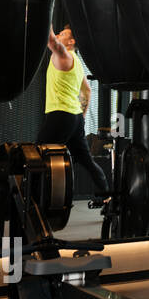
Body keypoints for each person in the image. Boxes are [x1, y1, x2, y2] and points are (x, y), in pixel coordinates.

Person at [37, 25, 111, 201]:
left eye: (62, 34)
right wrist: (82, 118)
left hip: (60, 115)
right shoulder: (77, 63)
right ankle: (107, 195)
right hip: (74, 118)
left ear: (71, 42)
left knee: (37, 156)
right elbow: (87, 91)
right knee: (87, 161)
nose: (58, 35)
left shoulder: (63, 54)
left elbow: (50, 39)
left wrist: (46, 7)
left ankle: (35, 199)